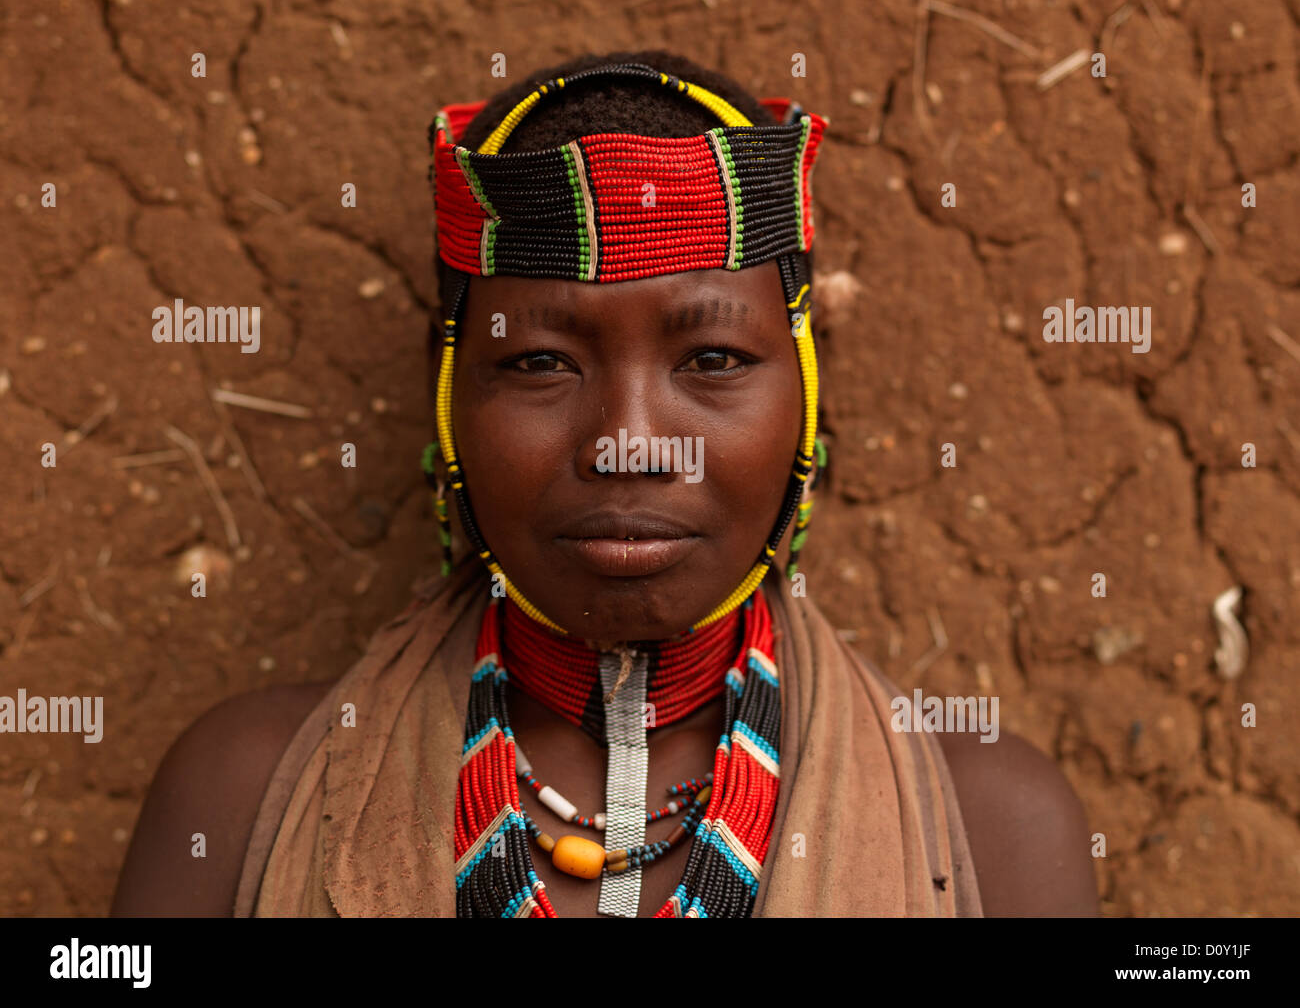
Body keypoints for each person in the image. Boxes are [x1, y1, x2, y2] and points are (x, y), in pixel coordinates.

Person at [111, 49, 1098, 918]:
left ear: (807, 390)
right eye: (540, 364)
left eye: (711, 359)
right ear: (445, 387)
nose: (629, 444)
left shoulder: (989, 835)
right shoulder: (246, 802)